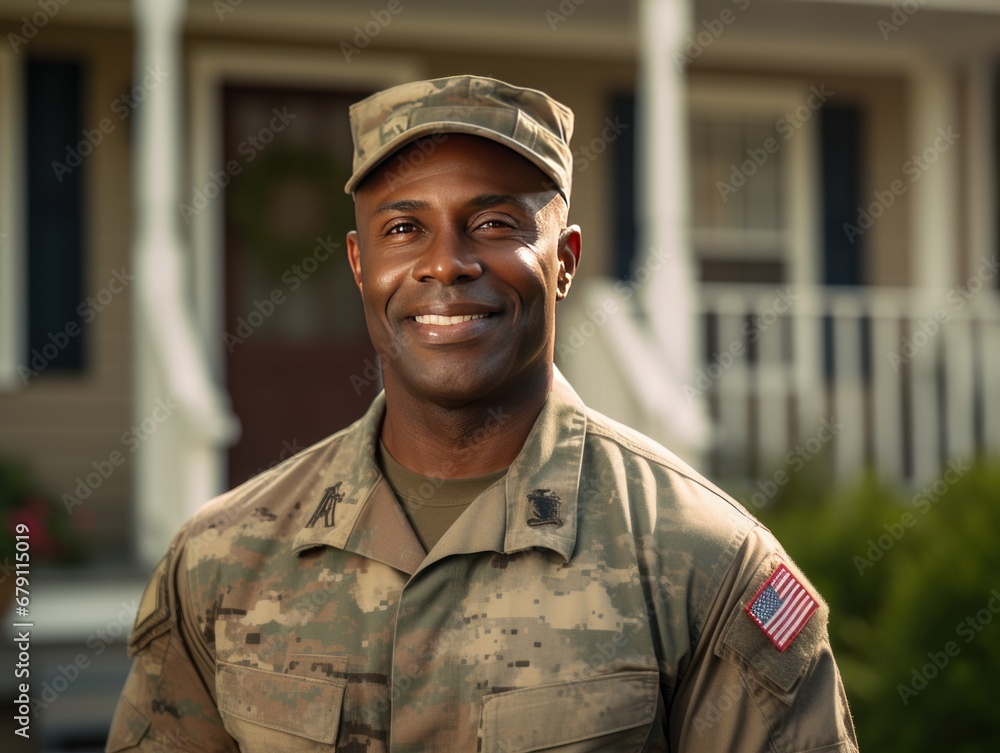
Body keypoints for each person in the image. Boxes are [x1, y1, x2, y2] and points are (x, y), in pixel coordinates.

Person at [106, 75, 858, 753]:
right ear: (360, 263)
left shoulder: (705, 564)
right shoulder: (218, 561)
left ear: (563, 260)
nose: (446, 262)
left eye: (495, 224)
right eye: (404, 228)